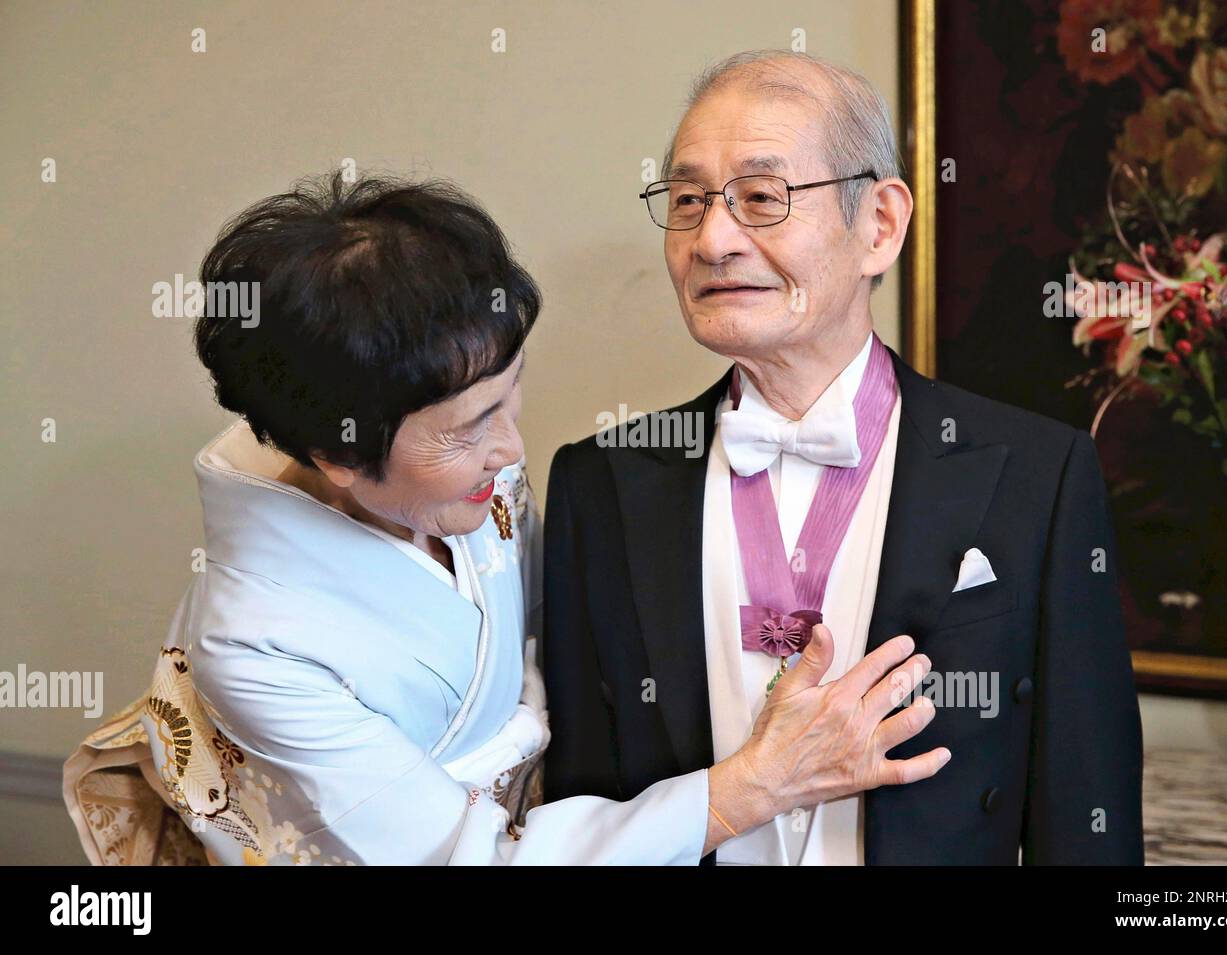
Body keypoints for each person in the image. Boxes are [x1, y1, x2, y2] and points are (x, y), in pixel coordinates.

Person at [62, 171, 949, 866]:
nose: (511, 450)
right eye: (468, 428)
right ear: (338, 454)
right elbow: (463, 856)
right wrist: (749, 789)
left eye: (509, 400)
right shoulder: (252, 639)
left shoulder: (460, 477)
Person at [543, 50, 1144, 865]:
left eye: (762, 198)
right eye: (687, 201)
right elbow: (585, 813)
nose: (713, 239)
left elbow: (1088, 816)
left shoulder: (1039, 475)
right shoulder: (600, 483)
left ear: (880, 225)